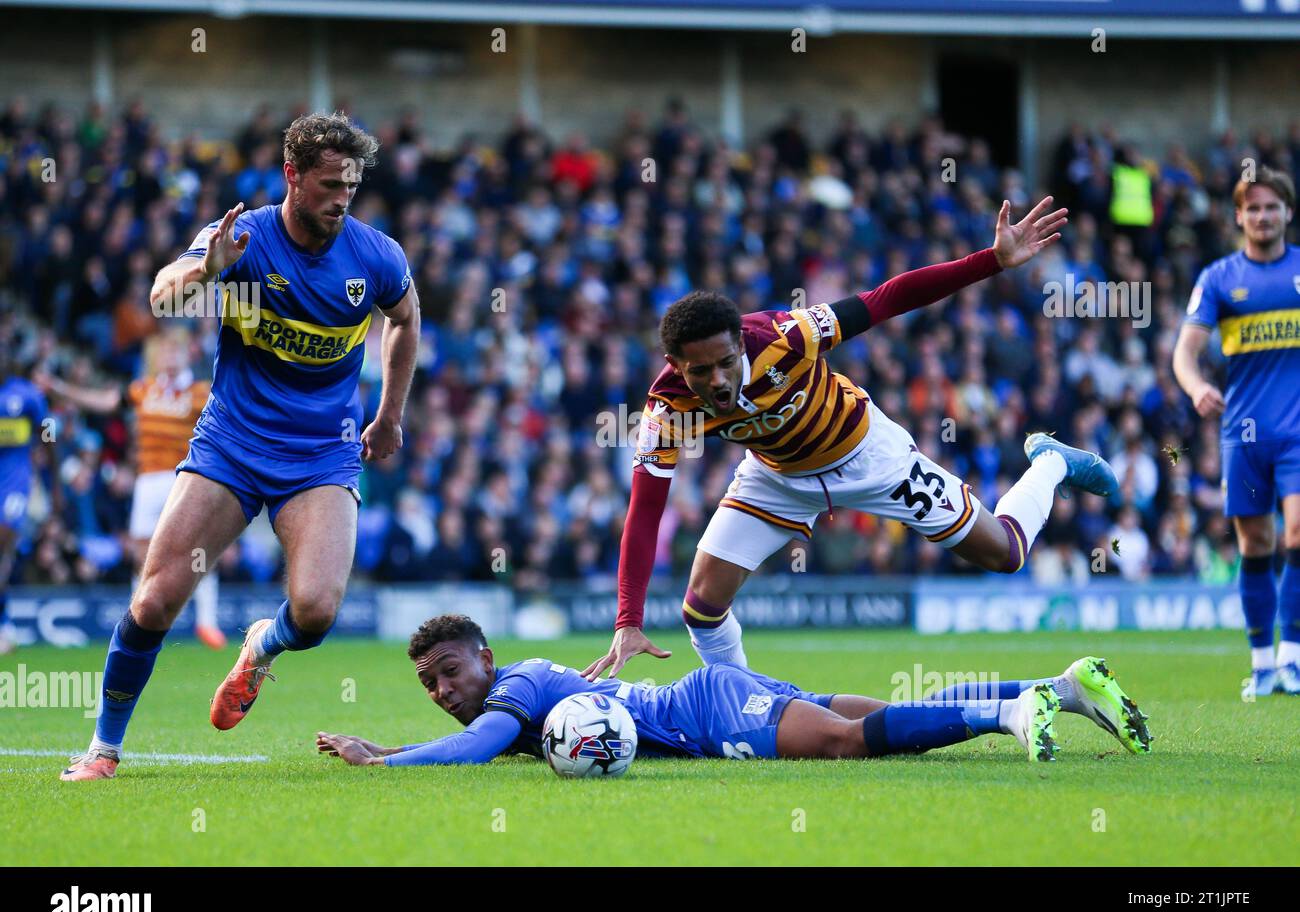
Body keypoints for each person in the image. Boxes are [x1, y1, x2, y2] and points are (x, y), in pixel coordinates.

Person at [583, 197, 1119, 681]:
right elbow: (645, 511)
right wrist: (628, 620)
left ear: (740, 345)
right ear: (675, 364)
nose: (718, 381)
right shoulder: (666, 410)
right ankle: (745, 705)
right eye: (701, 372)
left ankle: (1049, 462)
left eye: (727, 363)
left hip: (869, 456)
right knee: (700, 606)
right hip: (777, 477)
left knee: (1004, 554)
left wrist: (991, 260)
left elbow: (887, 298)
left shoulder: (789, 336)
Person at [62, 111, 421, 781]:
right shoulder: (244, 238)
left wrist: (390, 414)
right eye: (329, 185)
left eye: (352, 185)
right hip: (231, 445)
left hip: (322, 453)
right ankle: (103, 749)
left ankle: (262, 646)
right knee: (153, 602)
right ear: (292, 176)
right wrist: (208, 270)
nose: (343, 198)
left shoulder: (374, 255)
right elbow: (162, 295)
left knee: (315, 611)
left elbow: (406, 316)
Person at [316, 614, 1152, 768]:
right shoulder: (520, 686)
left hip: (704, 714)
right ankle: (1063, 688)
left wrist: (385, 765)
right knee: (856, 712)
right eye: (428, 684)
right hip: (708, 696)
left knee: (842, 743)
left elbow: (481, 745)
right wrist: (387, 746)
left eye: (449, 674)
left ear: (486, 660)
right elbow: (469, 744)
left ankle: (1006, 712)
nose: (440, 691)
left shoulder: (523, 686)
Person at [1174, 166, 1300, 698]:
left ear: (1287, 213)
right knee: (1255, 543)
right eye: (1254, 208)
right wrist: (1196, 386)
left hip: (1296, 433)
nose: (1263, 216)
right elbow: (1185, 351)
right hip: (1244, 434)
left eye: (1272, 207)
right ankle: (1263, 665)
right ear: (1239, 217)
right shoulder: (1219, 278)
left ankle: (1292, 658)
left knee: (1297, 534)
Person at [36, 327, 227, 649]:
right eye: (164, 351)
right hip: (147, 481)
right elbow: (105, 400)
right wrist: (60, 388)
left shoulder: (200, 392)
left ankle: (207, 622)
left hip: (184, 478)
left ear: (186, 355)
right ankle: (135, 621)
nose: (169, 357)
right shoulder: (143, 389)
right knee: (142, 555)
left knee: (199, 551)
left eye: (175, 351)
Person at [0, 347, 50, 654]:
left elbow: (49, 432)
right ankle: (5, 624)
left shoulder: (27, 395)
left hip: (14, 486)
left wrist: (53, 484)